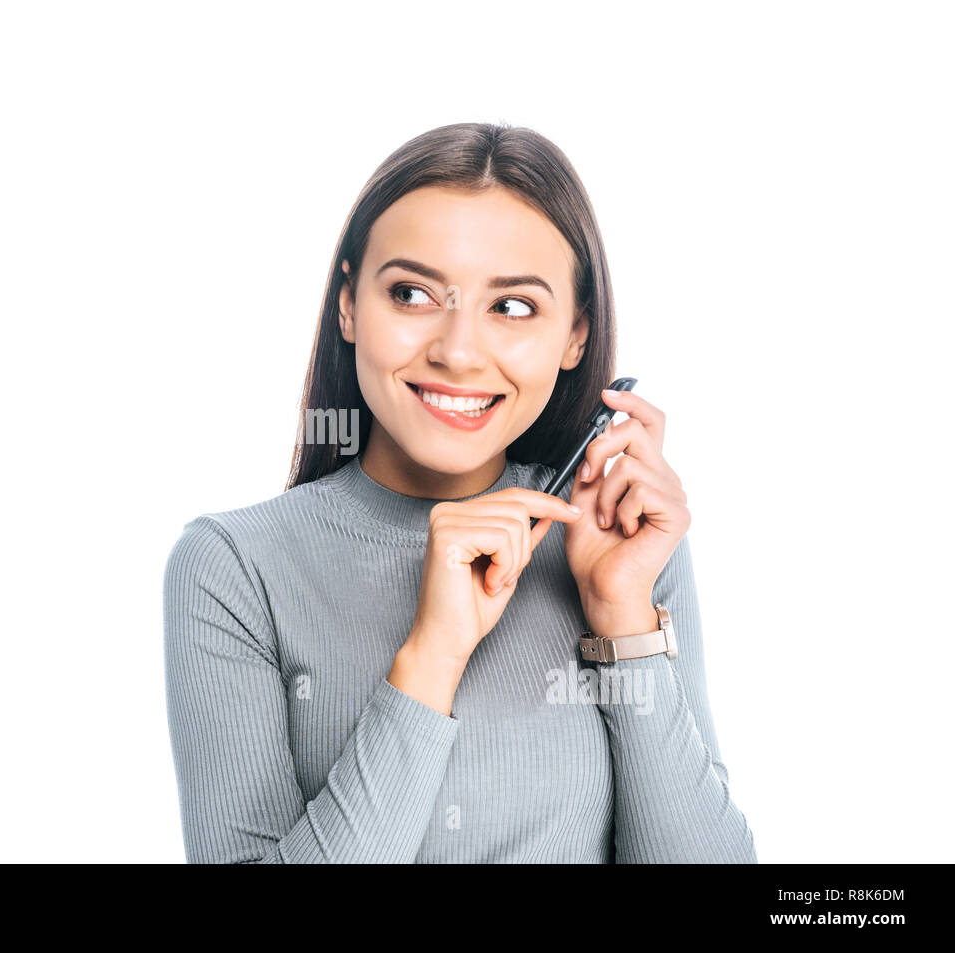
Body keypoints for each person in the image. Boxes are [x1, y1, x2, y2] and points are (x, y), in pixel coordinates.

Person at [162, 122, 757, 863]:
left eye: (511, 307)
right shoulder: (233, 567)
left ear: (576, 335)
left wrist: (621, 616)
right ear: (349, 306)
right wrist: (432, 654)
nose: (457, 351)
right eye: (410, 293)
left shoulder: (613, 538)